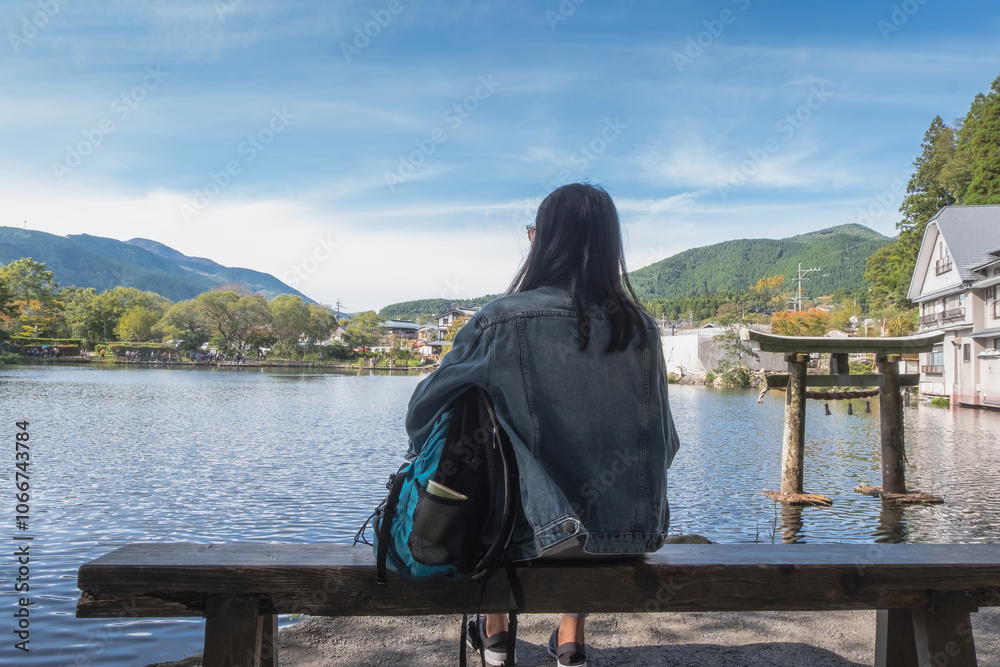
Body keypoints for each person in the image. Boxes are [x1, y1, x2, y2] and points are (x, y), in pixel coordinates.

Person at [404, 183, 680, 667]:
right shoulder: (641, 328)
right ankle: (569, 641)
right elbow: (667, 443)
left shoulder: (500, 321)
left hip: (524, 542)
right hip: (628, 540)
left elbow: (421, 416)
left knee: (486, 441)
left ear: (542, 240)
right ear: (610, 247)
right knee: (588, 482)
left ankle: (495, 635)